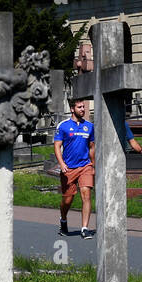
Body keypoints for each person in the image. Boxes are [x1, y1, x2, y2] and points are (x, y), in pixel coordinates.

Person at [55, 100, 95, 238]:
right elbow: (57, 146)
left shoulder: (89, 126)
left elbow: (91, 147)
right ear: (72, 109)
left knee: (86, 194)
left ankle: (84, 228)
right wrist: (61, 164)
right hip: (69, 168)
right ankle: (63, 219)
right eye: (79, 107)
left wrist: (93, 165)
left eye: (83, 107)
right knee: (68, 199)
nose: (83, 109)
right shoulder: (63, 126)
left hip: (85, 166)